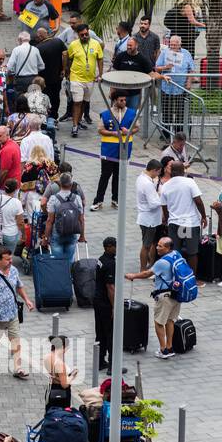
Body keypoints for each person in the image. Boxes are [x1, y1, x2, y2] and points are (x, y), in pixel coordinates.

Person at [125, 236, 187, 359]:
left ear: (168, 248)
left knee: (159, 322)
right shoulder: (177, 255)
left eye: (160, 246)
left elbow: (147, 273)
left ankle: (163, 350)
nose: (157, 248)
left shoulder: (162, 262)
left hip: (164, 296)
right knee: (170, 321)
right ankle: (170, 347)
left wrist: (133, 276)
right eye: (157, 245)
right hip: (176, 294)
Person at [0, 247, 35, 378]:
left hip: (12, 313)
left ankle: (17, 367)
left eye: (11, 259)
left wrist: (27, 300)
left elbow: (19, 286)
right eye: (7, 259)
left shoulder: (14, 271)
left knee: (15, 340)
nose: (10, 261)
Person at [160, 160, 208, 275]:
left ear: (171, 171)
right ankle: (191, 277)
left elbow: (164, 206)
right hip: (189, 224)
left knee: (176, 251)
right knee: (191, 252)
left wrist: (167, 219)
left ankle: (176, 275)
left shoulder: (165, 186)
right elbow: (198, 201)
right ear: (183, 170)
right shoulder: (189, 182)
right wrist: (203, 216)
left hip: (175, 224)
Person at [92, 92, 137, 210]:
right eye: (121, 100)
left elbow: (137, 127)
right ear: (115, 101)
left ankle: (115, 199)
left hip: (123, 149)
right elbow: (100, 130)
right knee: (105, 175)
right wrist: (114, 133)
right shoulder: (106, 114)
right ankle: (98, 200)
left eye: (125, 100)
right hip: (108, 149)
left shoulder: (132, 113)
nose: (123, 102)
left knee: (118, 175)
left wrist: (129, 132)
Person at [65, 21, 103, 138]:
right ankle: (75, 126)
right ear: (78, 35)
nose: (85, 36)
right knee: (77, 102)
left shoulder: (96, 44)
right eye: (82, 35)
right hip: (76, 78)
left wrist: (100, 74)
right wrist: (67, 72)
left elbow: (100, 59)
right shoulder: (73, 45)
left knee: (84, 103)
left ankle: (79, 120)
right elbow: (68, 58)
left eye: (86, 34)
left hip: (90, 79)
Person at [42, 172, 85, 268]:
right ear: (71, 184)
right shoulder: (77, 198)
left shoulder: (54, 199)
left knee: (57, 262)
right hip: (72, 233)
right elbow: (81, 219)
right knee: (69, 261)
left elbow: (50, 221)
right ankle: (69, 279)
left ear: (60, 184)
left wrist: (45, 238)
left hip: (57, 234)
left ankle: (59, 279)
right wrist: (82, 236)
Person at [136, 159, 165, 271]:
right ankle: (143, 269)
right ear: (154, 170)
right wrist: (161, 197)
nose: (159, 175)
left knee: (150, 243)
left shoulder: (141, 178)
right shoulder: (147, 184)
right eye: (158, 172)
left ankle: (149, 266)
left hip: (146, 217)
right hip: (149, 219)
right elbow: (153, 204)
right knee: (146, 245)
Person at [95, 236, 118, 371]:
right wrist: (114, 306)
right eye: (115, 246)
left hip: (98, 301)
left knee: (100, 332)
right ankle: (112, 365)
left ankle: (100, 360)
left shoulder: (101, 260)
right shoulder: (110, 263)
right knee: (111, 333)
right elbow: (110, 287)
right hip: (105, 303)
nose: (117, 248)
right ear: (108, 247)